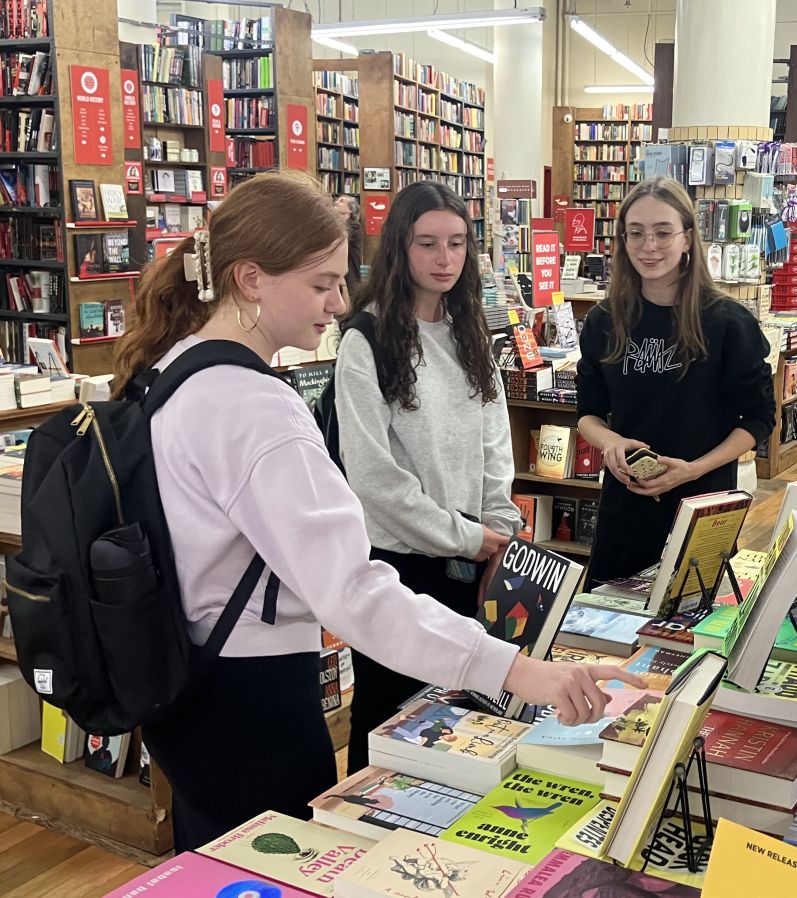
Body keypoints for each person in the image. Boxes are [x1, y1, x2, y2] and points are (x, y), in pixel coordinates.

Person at [112, 172, 643, 852]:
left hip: (192, 680)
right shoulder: (253, 407)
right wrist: (519, 671)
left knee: (223, 860)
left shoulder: (177, 367)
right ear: (250, 278)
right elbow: (352, 592)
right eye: (320, 283)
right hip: (251, 693)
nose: (338, 303)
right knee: (286, 858)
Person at [336, 180, 522, 774]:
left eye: (458, 244)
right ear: (399, 248)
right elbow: (374, 478)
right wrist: (467, 535)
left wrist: (498, 524)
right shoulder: (365, 341)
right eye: (427, 244)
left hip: (475, 559)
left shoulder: (470, 332)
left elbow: (495, 438)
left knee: (459, 723)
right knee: (391, 727)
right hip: (401, 566)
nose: (445, 259)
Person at [575, 176, 775, 590]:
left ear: (687, 237)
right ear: (623, 240)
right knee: (606, 633)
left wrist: (693, 469)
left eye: (663, 233)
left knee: (695, 636)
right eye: (636, 233)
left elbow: (758, 420)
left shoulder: (727, 323)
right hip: (623, 512)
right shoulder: (604, 321)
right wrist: (609, 442)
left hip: (702, 509)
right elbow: (588, 414)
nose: (649, 246)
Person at [335, 195, 364, 295]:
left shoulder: (354, 226)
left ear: (350, 210)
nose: (336, 202)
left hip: (350, 276)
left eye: (341, 201)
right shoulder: (338, 225)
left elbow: (339, 240)